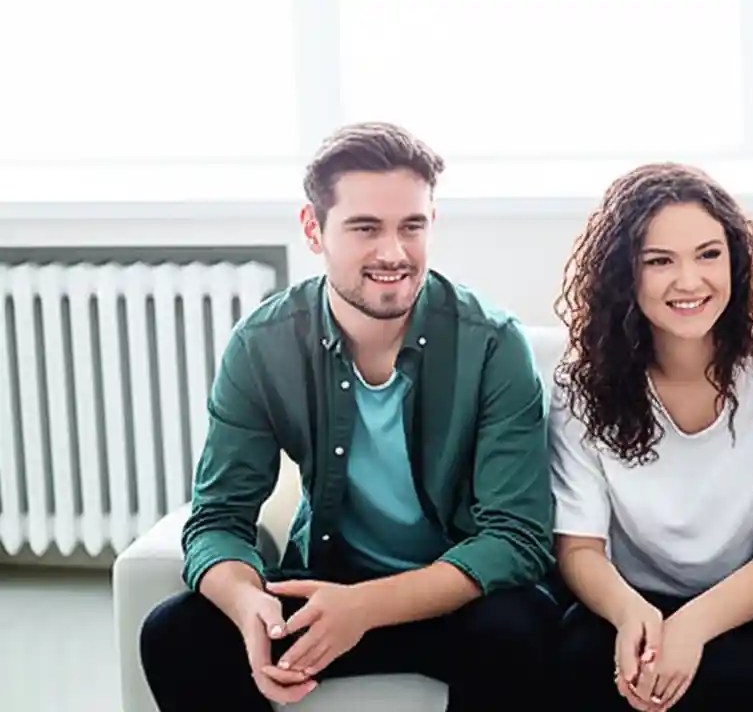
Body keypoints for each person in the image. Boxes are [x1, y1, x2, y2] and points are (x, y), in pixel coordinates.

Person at [138, 122, 558, 712]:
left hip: (452, 599)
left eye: (411, 226)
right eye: (365, 228)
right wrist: (245, 602)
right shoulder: (263, 345)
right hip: (327, 590)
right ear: (314, 229)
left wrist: (365, 608)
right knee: (176, 632)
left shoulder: (492, 344)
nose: (393, 252)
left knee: (524, 626)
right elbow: (218, 517)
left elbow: (517, 538)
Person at [550, 162, 753, 711]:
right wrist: (631, 616)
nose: (689, 281)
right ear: (624, 276)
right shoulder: (580, 384)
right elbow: (579, 546)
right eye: (660, 261)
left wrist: (689, 629)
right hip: (638, 606)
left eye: (709, 255)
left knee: (728, 679)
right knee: (574, 661)